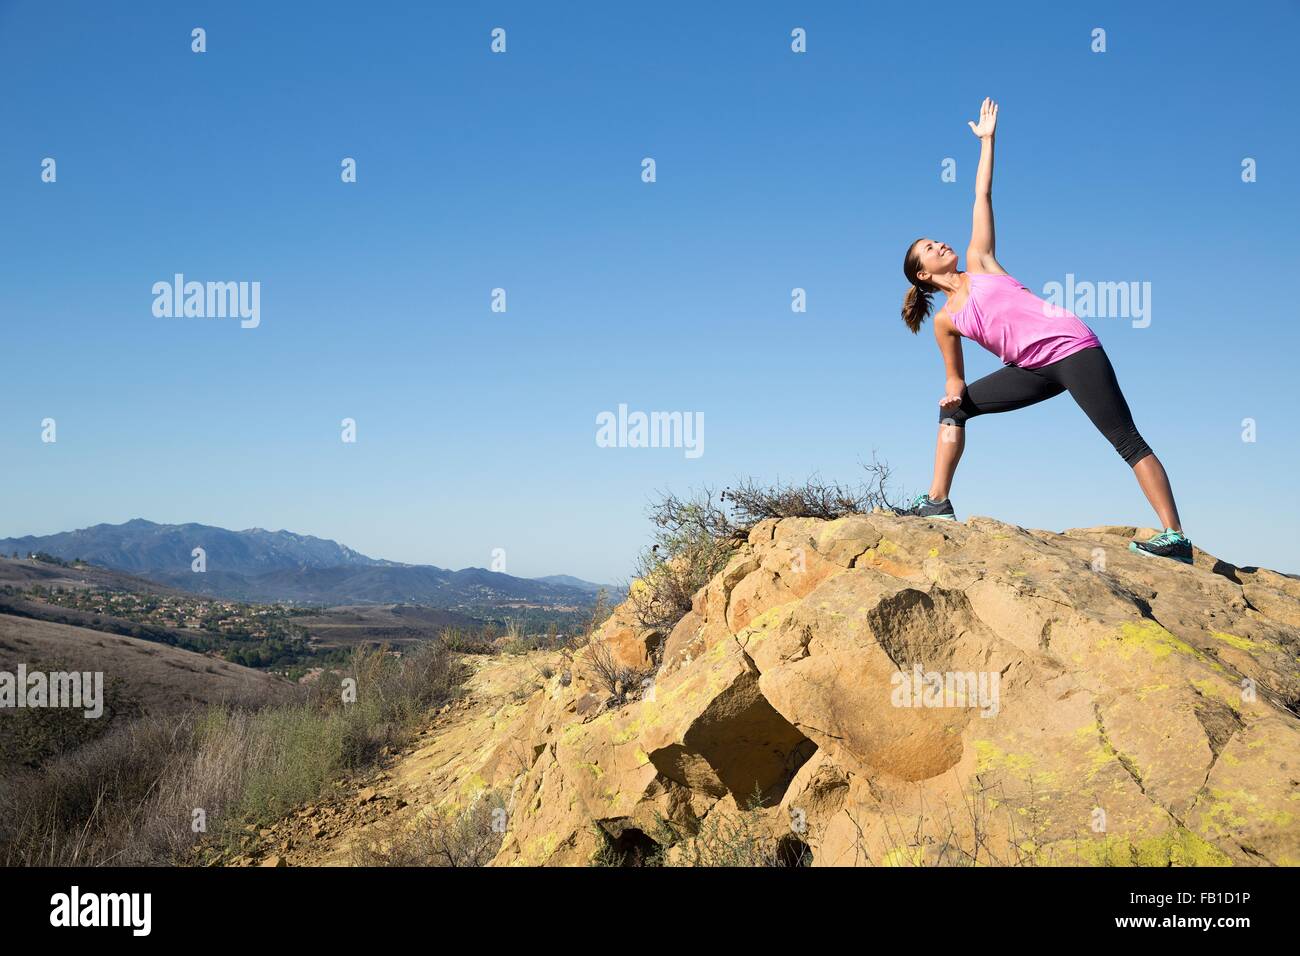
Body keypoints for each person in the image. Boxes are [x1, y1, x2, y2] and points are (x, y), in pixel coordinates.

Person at [898, 98, 1190, 564]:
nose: (940, 244)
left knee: (1126, 439)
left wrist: (987, 142)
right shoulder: (945, 320)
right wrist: (952, 393)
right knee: (954, 412)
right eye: (930, 249)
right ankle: (937, 501)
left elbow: (982, 197)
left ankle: (1175, 536)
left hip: (1073, 350)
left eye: (937, 240)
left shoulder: (981, 263)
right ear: (923, 274)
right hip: (1032, 369)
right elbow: (954, 377)